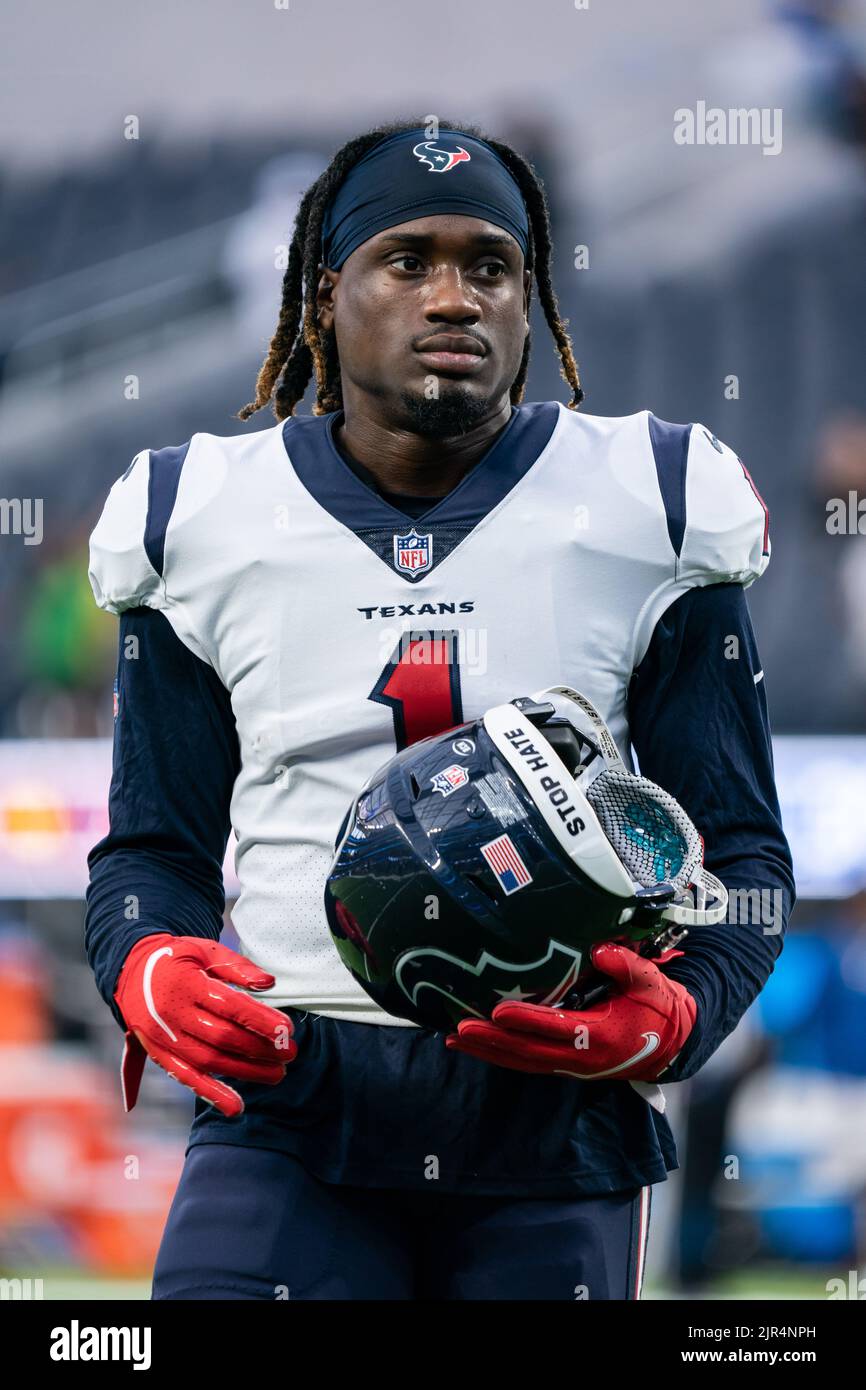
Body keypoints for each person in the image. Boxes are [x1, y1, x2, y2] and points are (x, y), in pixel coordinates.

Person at [85, 120, 794, 1300]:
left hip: (548, 1114)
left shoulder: (645, 500)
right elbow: (152, 846)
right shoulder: (198, 513)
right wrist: (143, 959)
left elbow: (744, 854)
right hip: (289, 1096)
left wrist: (678, 1012)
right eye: (406, 260)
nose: (453, 297)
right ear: (326, 295)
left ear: (532, 303)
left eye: (489, 265)